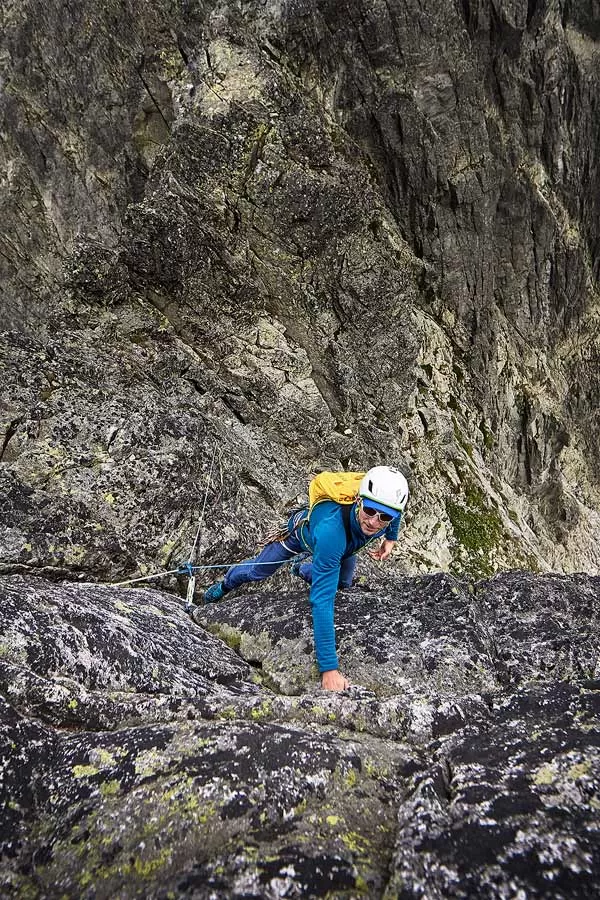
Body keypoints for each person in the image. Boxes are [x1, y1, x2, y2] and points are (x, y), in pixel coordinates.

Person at [203, 466, 409, 692]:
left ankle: (301, 568)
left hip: (343, 548)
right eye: (369, 510)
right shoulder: (332, 535)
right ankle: (223, 586)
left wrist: (390, 538)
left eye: (384, 517)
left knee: (343, 584)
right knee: (258, 571)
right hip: (301, 535)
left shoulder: (380, 517)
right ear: (359, 500)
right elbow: (322, 601)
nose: (373, 522)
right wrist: (329, 669)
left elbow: (394, 514)